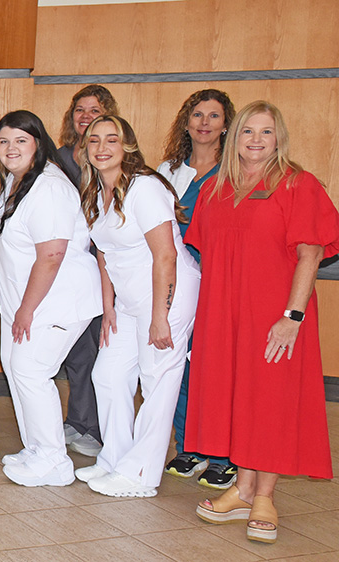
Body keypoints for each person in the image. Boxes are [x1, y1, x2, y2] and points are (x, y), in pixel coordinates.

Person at [188, 101, 338, 544]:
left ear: (279, 138)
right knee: (239, 398)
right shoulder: (215, 187)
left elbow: (310, 254)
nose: (256, 140)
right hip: (225, 315)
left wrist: (292, 316)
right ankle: (243, 488)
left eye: (266, 132)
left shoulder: (298, 184)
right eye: (248, 131)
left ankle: (265, 497)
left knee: (271, 402)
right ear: (234, 137)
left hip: (276, 314)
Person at [73, 115, 200, 497]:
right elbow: (104, 253)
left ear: (126, 145)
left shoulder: (145, 188)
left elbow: (166, 256)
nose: (102, 147)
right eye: (94, 140)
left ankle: (141, 474)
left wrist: (161, 316)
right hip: (127, 300)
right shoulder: (95, 190)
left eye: (112, 139)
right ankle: (115, 460)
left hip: (166, 294)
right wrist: (108, 306)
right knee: (107, 375)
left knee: (157, 380)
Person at [0, 110, 101, 487]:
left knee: (32, 371)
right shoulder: (15, 182)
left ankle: (54, 460)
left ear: (38, 143)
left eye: (21, 140)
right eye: (4, 141)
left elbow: (52, 255)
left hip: (55, 301)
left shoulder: (48, 186)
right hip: (28, 300)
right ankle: (37, 448)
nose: (10, 148)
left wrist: (27, 309)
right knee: (18, 369)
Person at [156, 89, 239, 489]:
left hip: (222, 283)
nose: (204, 123)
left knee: (219, 370)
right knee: (182, 367)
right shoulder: (167, 170)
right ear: (185, 122)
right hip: (179, 283)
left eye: (214, 116)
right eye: (197, 115)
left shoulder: (238, 170)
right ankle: (188, 447)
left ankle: (225, 455)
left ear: (227, 124)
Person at [54, 84, 119, 457]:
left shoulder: (111, 161)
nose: (85, 116)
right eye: (80, 109)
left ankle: (94, 428)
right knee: (77, 351)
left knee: (97, 350)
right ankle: (77, 420)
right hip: (67, 265)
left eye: (94, 110)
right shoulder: (61, 156)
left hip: (102, 266)